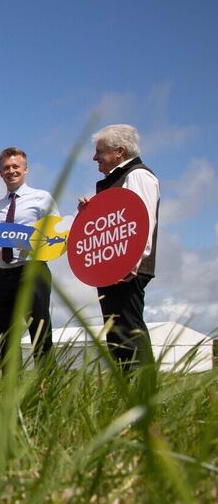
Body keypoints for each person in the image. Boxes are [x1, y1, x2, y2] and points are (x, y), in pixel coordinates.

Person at [79, 124, 160, 368]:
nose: (95, 157)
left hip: (126, 270)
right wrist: (88, 213)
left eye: (100, 151)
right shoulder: (112, 181)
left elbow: (143, 219)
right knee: (116, 333)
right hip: (112, 269)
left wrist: (132, 261)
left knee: (128, 331)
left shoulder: (137, 176)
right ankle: (129, 388)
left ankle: (142, 391)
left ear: (119, 152)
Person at [0, 147, 57, 365]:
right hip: (2, 275)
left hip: (32, 270)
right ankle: (10, 392)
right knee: (6, 339)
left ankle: (46, 389)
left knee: (40, 333)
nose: (11, 171)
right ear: (0, 173)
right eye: (6, 168)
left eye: (15, 166)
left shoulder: (42, 198)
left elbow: (54, 235)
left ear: (25, 169)